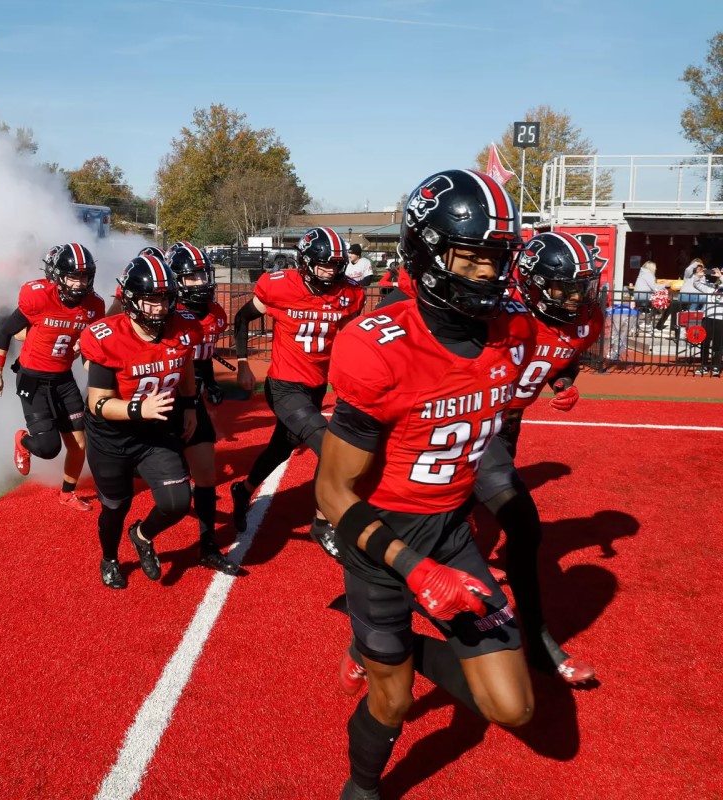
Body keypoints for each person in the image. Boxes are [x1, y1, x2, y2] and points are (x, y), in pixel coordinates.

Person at [315, 169, 536, 800]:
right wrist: (414, 570)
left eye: (497, 258)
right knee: (394, 701)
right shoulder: (379, 344)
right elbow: (331, 496)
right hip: (382, 537)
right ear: (426, 253)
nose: (488, 275)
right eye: (470, 258)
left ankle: (397, 641)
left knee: (514, 709)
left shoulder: (512, 333)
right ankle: (361, 787)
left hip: (452, 530)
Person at [474, 231, 605, 684]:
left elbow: (561, 358)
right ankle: (377, 625)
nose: (575, 297)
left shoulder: (587, 319)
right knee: (515, 525)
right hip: (467, 423)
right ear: (530, 284)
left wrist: (562, 383)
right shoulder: (495, 312)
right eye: (563, 287)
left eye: (582, 286)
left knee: (471, 525)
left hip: (506, 426)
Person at [231, 227, 365, 551]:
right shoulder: (279, 286)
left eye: (335, 265)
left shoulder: (349, 294)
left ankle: (243, 489)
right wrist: (243, 363)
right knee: (331, 447)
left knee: (280, 448)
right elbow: (242, 317)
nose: (330, 271)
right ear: (305, 262)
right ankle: (322, 521)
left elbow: (347, 339)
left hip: (316, 386)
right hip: (284, 385)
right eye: (323, 265)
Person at [79, 254, 203, 589]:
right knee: (115, 507)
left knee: (177, 503)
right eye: (151, 300)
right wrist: (138, 409)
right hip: (112, 435)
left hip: (155, 430)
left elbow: (185, 364)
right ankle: (110, 558)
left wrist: (190, 405)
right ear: (131, 301)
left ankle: (142, 535)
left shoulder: (185, 326)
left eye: (165, 298)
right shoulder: (106, 335)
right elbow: (98, 402)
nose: (160, 307)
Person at [0, 243, 104, 511]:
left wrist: (90, 361)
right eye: (73, 276)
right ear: (57, 276)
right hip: (32, 378)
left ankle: (67, 493)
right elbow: (5, 331)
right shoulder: (38, 296)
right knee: (48, 447)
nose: (79, 283)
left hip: (63, 379)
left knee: (78, 443)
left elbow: (90, 345)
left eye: (84, 276)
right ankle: (22, 440)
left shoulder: (93, 305)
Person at [165, 241, 243, 575]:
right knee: (167, 490)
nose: (202, 283)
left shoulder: (214, 315)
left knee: (206, 475)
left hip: (191, 400)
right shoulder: (163, 311)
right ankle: (138, 535)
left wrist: (209, 382)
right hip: (160, 400)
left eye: (203, 276)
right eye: (192, 277)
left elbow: (202, 358)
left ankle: (208, 546)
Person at [689, 265, 723, 376]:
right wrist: (698, 276)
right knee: (705, 342)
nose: (718, 275)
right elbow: (696, 284)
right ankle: (704, 366)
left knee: (718, 345)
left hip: (720, 318)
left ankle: (716, 367)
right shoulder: (711, 287)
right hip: (708, 317)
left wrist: (721, 277)